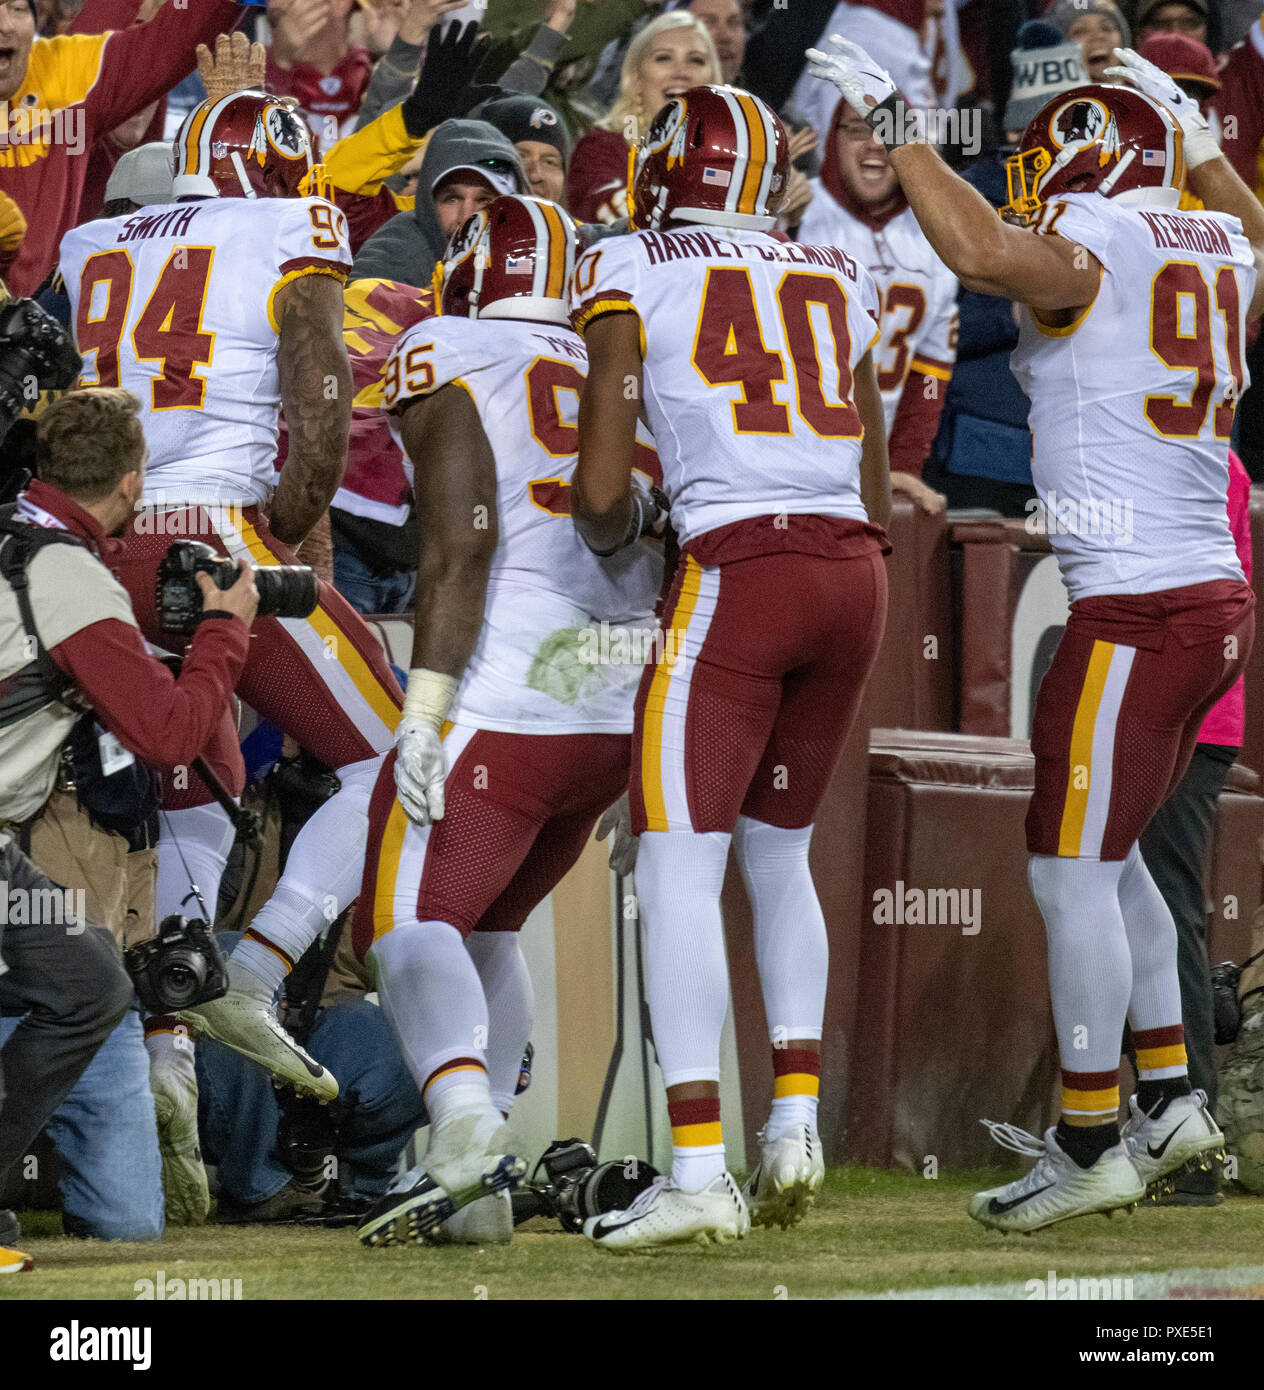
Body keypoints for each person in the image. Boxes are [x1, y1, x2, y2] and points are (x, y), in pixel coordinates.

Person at [805, 35, 1262, 1230]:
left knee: (1067, 874)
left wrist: (902, 126)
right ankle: (1169, 1101)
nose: (1036, 186)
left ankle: (1090, 1133)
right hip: (1208, 604)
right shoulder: (1222, 241)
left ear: (1096, 160)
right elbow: (1240, 220)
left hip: (1133, 609)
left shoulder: (1101, 243)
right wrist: (1199, 141)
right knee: (1111, 867)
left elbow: (970, 247)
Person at [569, 84, 891, 1251]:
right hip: (854, 573)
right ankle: (793, 1122)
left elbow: (599, 495)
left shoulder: (631, 264)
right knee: (780, 850)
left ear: (665, 171)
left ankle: (699, 1162)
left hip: (740, 570)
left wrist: (641, 522)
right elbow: (871, 472)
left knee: (675, 861)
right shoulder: (838, 271)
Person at [57, 90, 403, 1104]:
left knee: (197, 789)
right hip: (211, 529)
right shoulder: (288, 224)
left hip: (101, 539)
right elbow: (318, 390)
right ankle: (249, 970)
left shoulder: (92, 241)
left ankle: (166, 1056)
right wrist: (285, 530)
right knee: (391, 756)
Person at [352, 194, 663, 1248]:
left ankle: (467, 1129)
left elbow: (461, 543)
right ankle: (478, 1191)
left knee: (399, 921)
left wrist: (428, 705)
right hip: (613, 706)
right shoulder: (626, 354)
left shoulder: (445, 344)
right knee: (487, 923)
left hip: (506, 692)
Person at [0, 386, 257, 1270]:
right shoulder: (66, 573)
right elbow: (172, 736)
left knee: (87, 982)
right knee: (87, 986)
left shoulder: (14, 536)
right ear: (132, 480)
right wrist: (226, 630)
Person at [0, 0, 245, 295]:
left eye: (16, 8)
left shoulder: (64, 77)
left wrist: (242, 115)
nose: (5, 25)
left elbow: (176, 34)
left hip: (44, 322)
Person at [796, 93, 956, 506]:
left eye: (890, 131)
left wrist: (898, 469)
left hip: (867, 475)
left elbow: (928, 374)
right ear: (833, 137)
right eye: (858, 129)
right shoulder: (796, 214)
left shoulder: (936, 232)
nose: (874, 143)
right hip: (783, 460)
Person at [567, 10, 720, 226]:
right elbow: (603, 217)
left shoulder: (736, 154)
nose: (681, 71)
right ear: (636, 78)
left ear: (713, 81)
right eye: (663, 58)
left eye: (695, 60)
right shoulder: (602, 148)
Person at [1048, 0, 1129, 84]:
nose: (1097, 36)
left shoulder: (1140, 93)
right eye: (1080, 31)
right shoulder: (1054, 97)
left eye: (1106, 28)